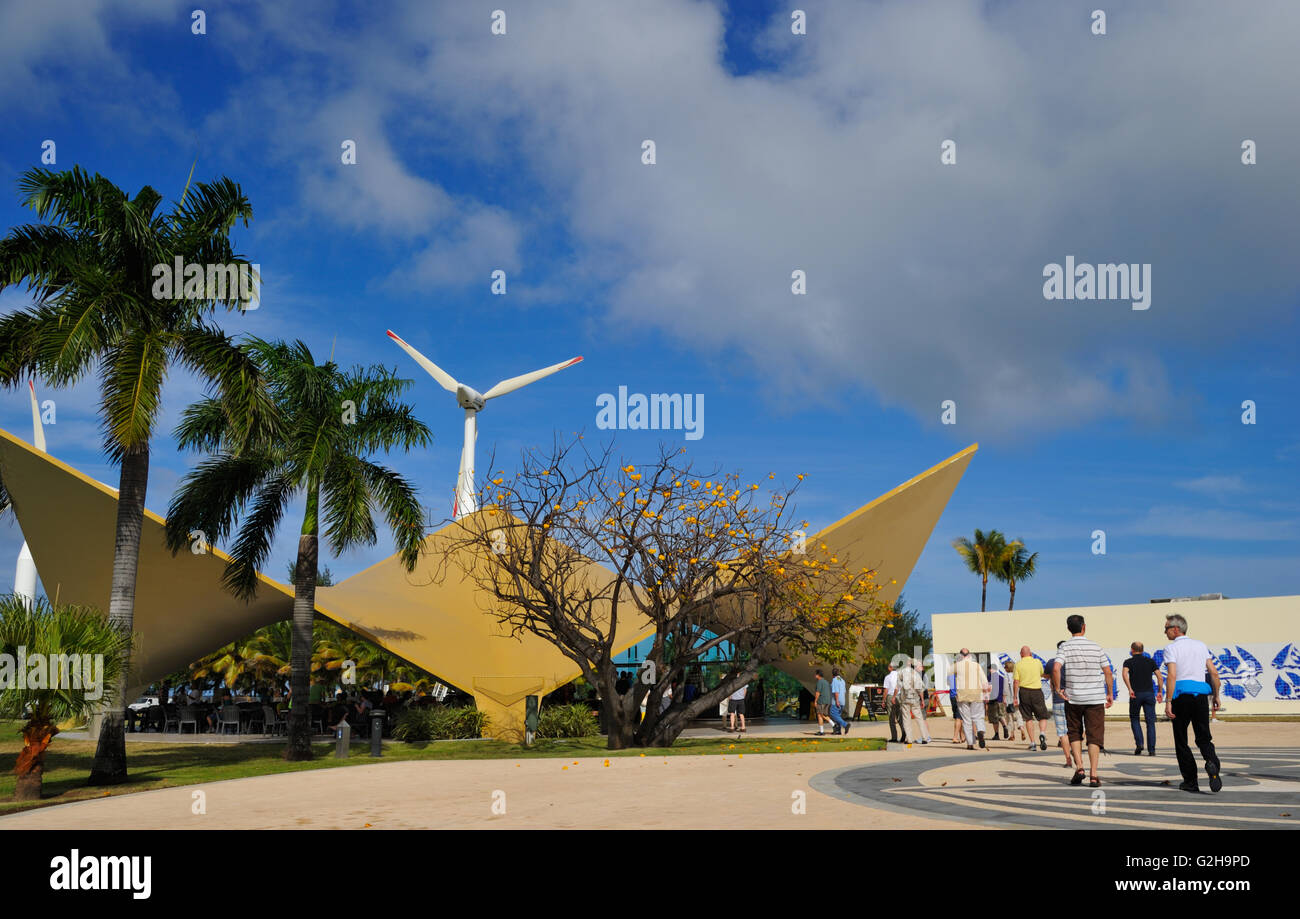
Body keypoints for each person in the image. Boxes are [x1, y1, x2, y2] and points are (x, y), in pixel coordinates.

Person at [1161, 614, 1223, 793]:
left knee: (1181, 740)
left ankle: (1190, 781)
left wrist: (1168, 701)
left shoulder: (1171, 648)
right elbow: (1214, 673)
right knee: (1204, 737)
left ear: (1175, 629)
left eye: (1166, 628)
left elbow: (1172, 675)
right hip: (1200, 697)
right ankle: (1212, 763)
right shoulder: (1201, 645)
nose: (1164, 632)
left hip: (1181, 696)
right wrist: (1216, 695)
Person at [1053, 615, 1114, 788]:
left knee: (1074, 732)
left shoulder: (1064, 647)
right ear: (1084, 627)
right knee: (1095, 735)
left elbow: (1056, 668)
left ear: (1068, 629)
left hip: (1073, 698)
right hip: (1095, 698)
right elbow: (1108, 672)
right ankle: (1094, 774)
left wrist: (1058, 688)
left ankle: (1080, 767)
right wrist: (1109, 693)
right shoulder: (1096, 646)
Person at [1122, 641, 1163, 756]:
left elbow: (1124, 674)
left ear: (1132, 650)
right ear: (1143, 650)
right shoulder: (1150, 661)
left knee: (1135, 719)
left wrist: (1130, 688)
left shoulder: (1128, 662)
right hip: (1149, 694)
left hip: (1136, 694)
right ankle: (1152, 749)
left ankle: (1139, 744)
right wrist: (1159, 691)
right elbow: (1160, 677)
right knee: (1150, 722)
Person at [1012, 646, 1051, 751]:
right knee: (1042, 715)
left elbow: (1016, 682)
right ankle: (1042, 733)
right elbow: (1042, 673)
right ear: (1030, 653)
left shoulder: (1018, 664)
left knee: (1028, 718)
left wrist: (1015, 696)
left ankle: (1033, 743)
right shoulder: (1037, 662)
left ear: (1021, 654)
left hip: (1024, 692)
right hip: (1037, 691)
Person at [1048, 640, 1077, 770]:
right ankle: (1077, 755)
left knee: (1062, 733)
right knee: (1076, 730)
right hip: (1074, 699)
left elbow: (1048, 674)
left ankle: (1068, 760)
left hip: (1058, 700)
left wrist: (1057, 687)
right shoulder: (1075, 662)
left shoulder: (1052, 662)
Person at [954, 649, 988, 749]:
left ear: (960, 655)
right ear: (970, 655)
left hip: (963, 695)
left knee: (966, 720)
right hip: (976, 694)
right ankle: (980, 730)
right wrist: (986, 695)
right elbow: (984, 682)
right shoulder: (976, 665)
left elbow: (955, 681)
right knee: (978, 716)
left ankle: (970, 743)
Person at [896, 658, 931, 743]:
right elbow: (920, 689)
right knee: (920, 719)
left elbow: (898, 685)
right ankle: (925, 738)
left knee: (906, 719)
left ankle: (909, 739)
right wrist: (922, 700)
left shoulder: (901, 672)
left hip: (905, 698)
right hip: (915, 698)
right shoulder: (916, 674)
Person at [986, 662, 1010, 741]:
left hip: (992, 699)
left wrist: (986, 698)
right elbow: (1005, 690)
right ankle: (1005, 726)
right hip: (1000, 699)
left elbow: (988, 689)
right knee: (1001, 715)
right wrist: (1004, 698)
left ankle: (996, 734)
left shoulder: (989, 678)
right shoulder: (1001, 678)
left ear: (991, 669)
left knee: (994, 718)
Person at [883, 662, 904, 743]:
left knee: (891, 718)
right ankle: (904, 733)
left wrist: (883, 700)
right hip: (899, 696)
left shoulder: (888, 677)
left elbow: (886, 690)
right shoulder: (900, 676)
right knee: (900, 717)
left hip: (890, 696)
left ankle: (894, 737)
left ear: (890, 668)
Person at [829, 667, 851, 735]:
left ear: (832, 674)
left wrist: (837, 701)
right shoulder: (842, 680)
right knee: (838, 716)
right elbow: (844, 691)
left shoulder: (835, 680)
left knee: (832, 714)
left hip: (836, 701)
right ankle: (838, 731)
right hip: (843, 700)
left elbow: (836, 692)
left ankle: (845, 725)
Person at [813, 669, 832, 735]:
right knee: (823, 715)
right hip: (827, 701)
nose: (814, 675)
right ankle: (823, 730)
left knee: (820, 715)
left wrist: (815, 701)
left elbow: (818, 692)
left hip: (821, 701)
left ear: (818, 675)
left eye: (815, 674)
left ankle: (822, 731)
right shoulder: (826, 682)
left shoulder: (819, 682)